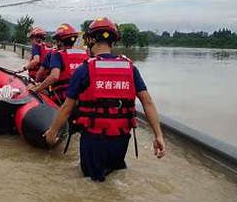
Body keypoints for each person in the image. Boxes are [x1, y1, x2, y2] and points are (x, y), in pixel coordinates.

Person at [44, 17, 165, 182]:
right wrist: (158, 135)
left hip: (94, 140)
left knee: (92, 183)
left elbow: (66, 108)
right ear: (114, 42)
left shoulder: (84, 69)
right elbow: (148, 103)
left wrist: (52, 132)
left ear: (91, 40)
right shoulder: (130, 68)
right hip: (121, 139)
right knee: (115, 178)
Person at [29, 23, 89, 105]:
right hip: (81, 97)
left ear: (59, 42)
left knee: (30, 88)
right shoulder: (85, 54)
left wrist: (37, 88)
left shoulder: (58, 55)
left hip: (62, 98)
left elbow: (54, 76)